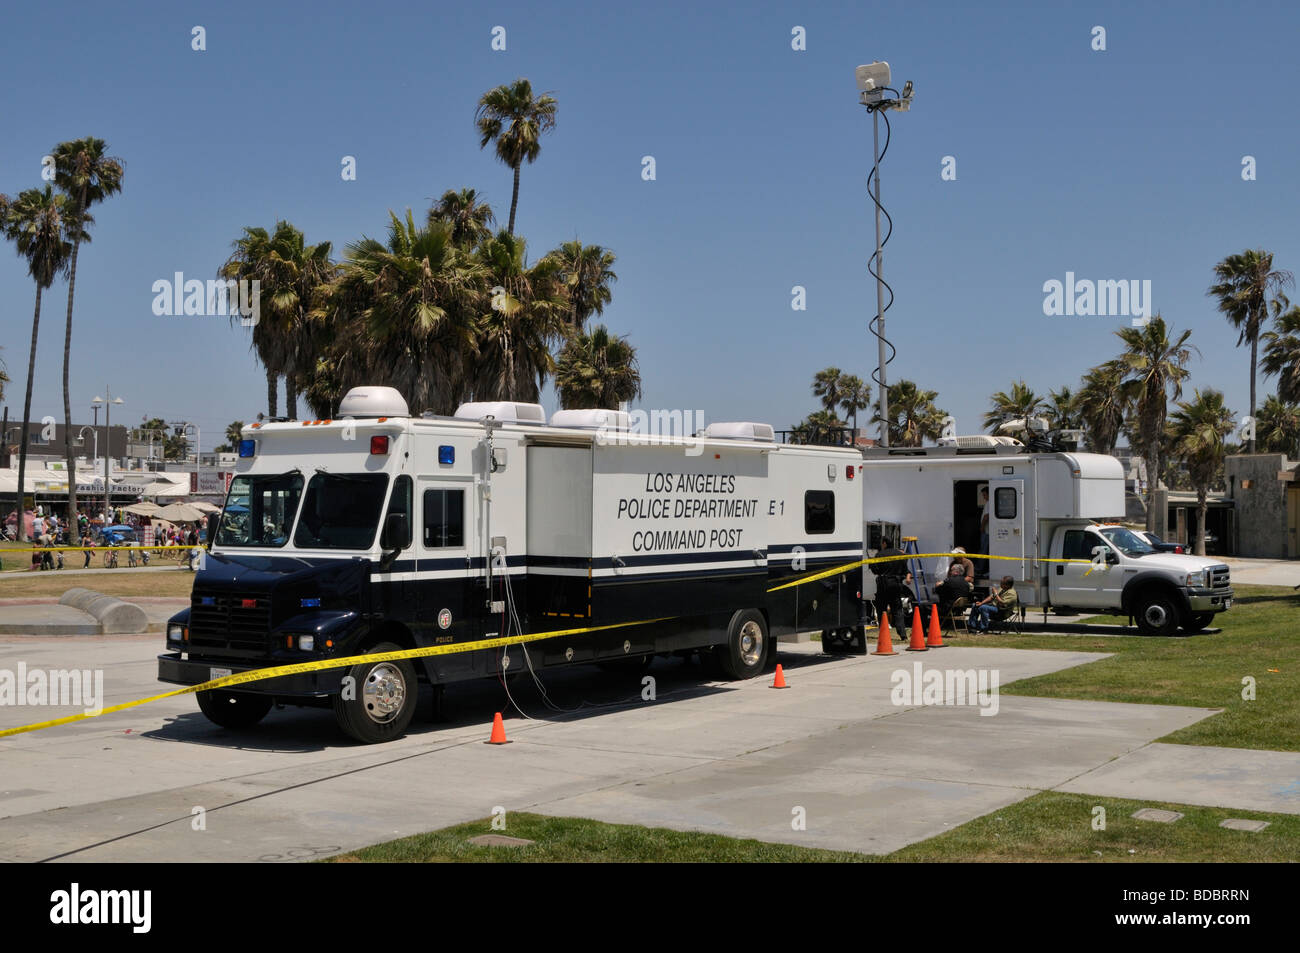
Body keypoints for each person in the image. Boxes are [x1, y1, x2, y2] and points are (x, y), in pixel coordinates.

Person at [871, 536, 911, 634]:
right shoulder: (899, 554)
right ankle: (902, 634)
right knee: (897, 610)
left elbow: (874, 570)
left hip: (883, 585)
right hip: (896, 584)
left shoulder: (879, 555)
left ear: (884, 543)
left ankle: (883, 632)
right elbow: (905, 570)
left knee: (881, 610)